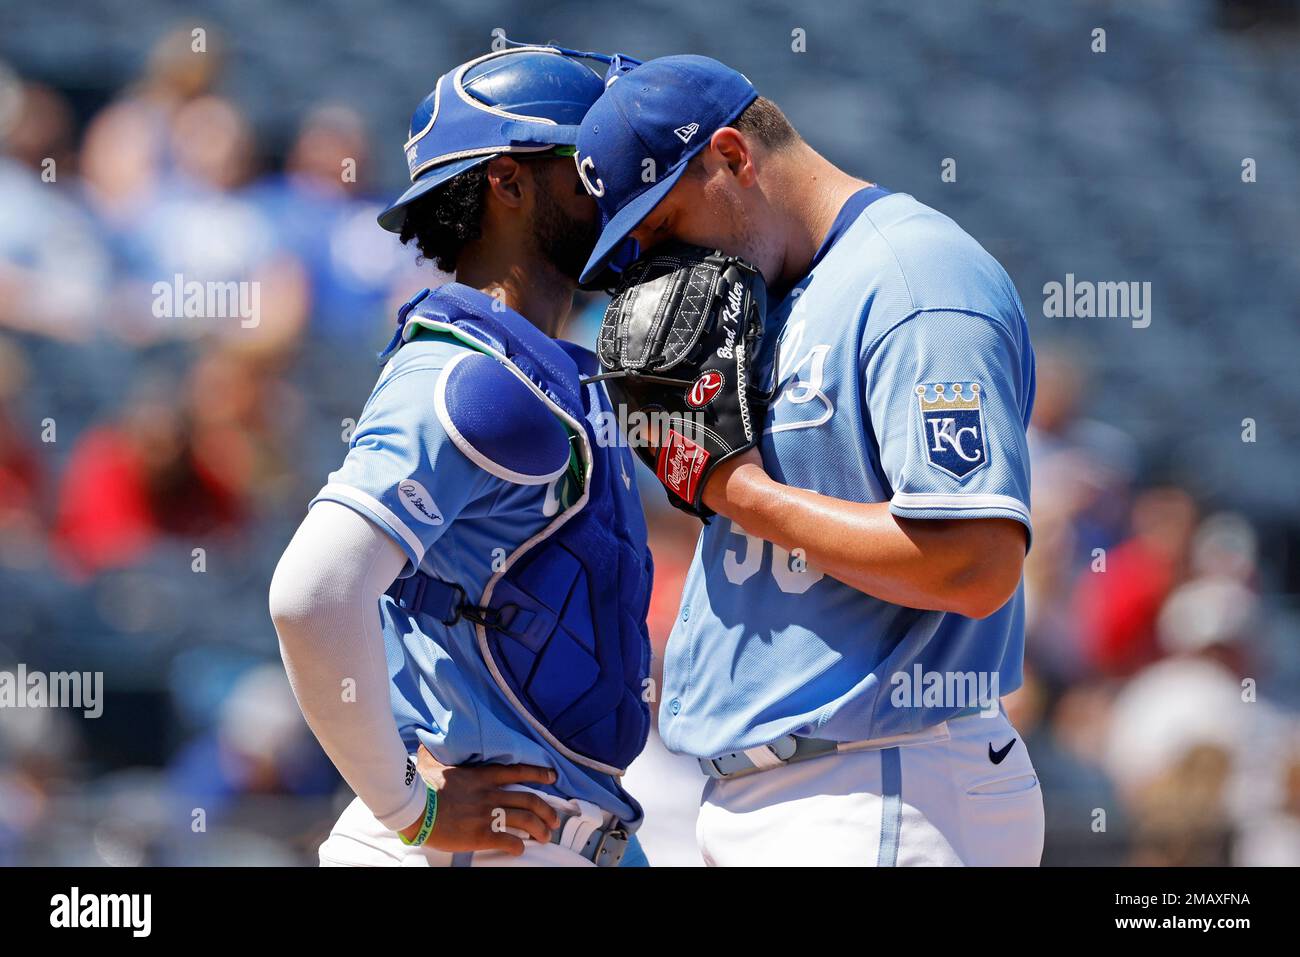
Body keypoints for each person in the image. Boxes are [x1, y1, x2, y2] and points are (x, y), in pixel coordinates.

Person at [573, 55, 1043, 865]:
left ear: (732, 155)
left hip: (883, 785)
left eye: (661, 223)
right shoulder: (765, 295)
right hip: (779, 795)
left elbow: (975, 563)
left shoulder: (916, 280)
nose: (654, 260)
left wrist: (738, 491)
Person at [269, 43, 655, 867]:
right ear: (508, 183)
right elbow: (311, 592)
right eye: (586, 163)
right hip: (468, 847)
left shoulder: (547, 370)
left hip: (547, 840)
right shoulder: (465, 373)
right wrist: (408, 807)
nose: (616, 184)